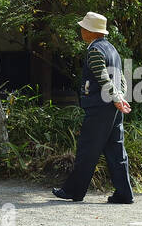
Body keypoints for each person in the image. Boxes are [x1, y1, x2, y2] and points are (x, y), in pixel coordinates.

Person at [53, 11, 135, 204]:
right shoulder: (112, 49)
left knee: (87, 149)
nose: (81, 30)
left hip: (100, 107)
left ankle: (74, 191)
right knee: (116, 151)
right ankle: (124, 193)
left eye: (84, 28)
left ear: (91, 32)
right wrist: (120, 97)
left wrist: (116, 98)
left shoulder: (95, 50)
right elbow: (121, 77)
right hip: (113, 107)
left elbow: (102, 76)